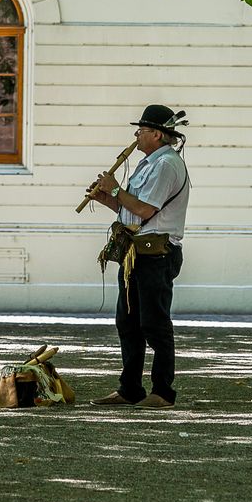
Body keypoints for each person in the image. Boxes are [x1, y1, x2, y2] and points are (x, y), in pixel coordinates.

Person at [88, 104, 190, 409]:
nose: (136, 135)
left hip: (156, 254)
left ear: (157, 134)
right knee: (128, 322)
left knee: (154, 323)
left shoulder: (167, 165)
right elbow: (133, 212)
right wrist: (106, 197)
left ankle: (162, 391)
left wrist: (116, 189)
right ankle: (129, 388)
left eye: (142, 130)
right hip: (136, 252)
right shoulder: (149, 164)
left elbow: (146, 210)